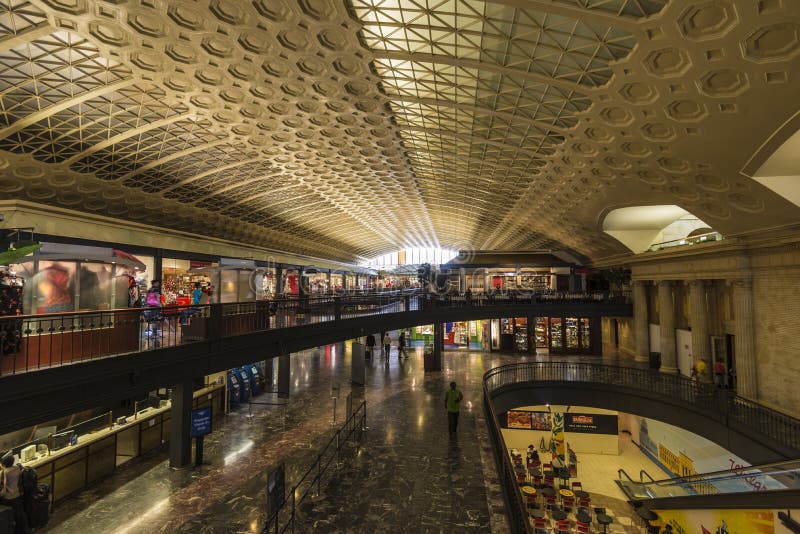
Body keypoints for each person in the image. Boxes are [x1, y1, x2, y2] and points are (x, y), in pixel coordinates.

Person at [0, 452, 31, 534]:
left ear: (3, 464)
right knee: (20, 513)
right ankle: (24, 530)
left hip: (9, 498)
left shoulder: (4, 472)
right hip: (19, 495)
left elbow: (3, 488)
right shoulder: (17, 467)